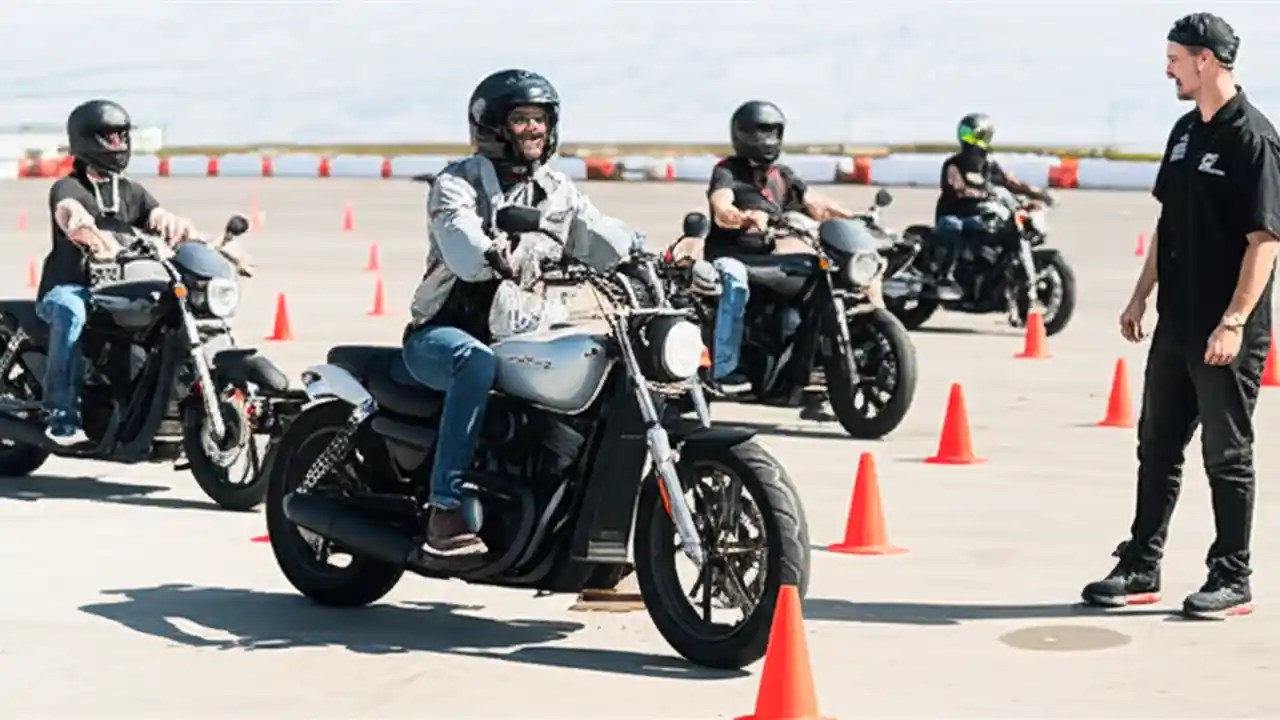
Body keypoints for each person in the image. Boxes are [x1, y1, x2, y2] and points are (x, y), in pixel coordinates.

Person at [1081, 12, 1280, 619]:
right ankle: (1141, 565)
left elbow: (1265, 241)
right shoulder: (1185, 131)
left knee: (1227, 454)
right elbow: (1169, 220)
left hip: (1225, 332)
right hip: (1176, 322)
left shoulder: (1254, 139)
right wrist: (1140, 294)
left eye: (1175, 58)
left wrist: (1235, 321)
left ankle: (1232, 576)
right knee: (1157, 445)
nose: (1167, 69)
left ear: (1206, 60)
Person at [403, 68, 639, 557]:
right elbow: (464, 247)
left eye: (541, 119)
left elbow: (596, 232)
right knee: (475, 362)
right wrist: (499, 254)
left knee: (598, 359)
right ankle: (444, 509)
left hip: (523, 331)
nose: (534, 129)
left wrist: (648, 254)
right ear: (493, 126)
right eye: (521, 119)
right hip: (445, 333)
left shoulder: (556, 188)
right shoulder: (457, 183)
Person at [37, 99, 199, 446]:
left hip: (118, 286)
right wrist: (84, 230)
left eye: (121, 136)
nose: (118, 144)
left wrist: (183, 230)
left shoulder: (129, 190)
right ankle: (61, 416)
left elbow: (157, 216)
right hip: (71, 285)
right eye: (109, 137)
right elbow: (68, 210)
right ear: (87, 138)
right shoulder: (69, 187)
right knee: (71, 311)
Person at [703, 99, 859, 395]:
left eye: (774, 131)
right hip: (731, 255)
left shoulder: (783, 175)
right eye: (761, 131)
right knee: (734, 280)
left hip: (768, 258)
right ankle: (724, 370)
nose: (768, 139)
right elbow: (721, 203)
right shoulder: (727, 170)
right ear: (742, 133)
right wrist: (739, 216)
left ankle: (813, 359)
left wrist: (853, 218)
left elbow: (816, 202)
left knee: (822, 272)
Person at [933, 112, 1054, 299]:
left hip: (981, 213)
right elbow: (956, 188)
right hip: (956, 212)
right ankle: (946, 277)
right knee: (954, 226)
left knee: (1006, 228)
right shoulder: (954, 164)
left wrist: (1037, 194)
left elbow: (1011, 183)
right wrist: (983, 194)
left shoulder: (989, 165)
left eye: (971, 134)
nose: (967, 140)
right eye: (964, 134)